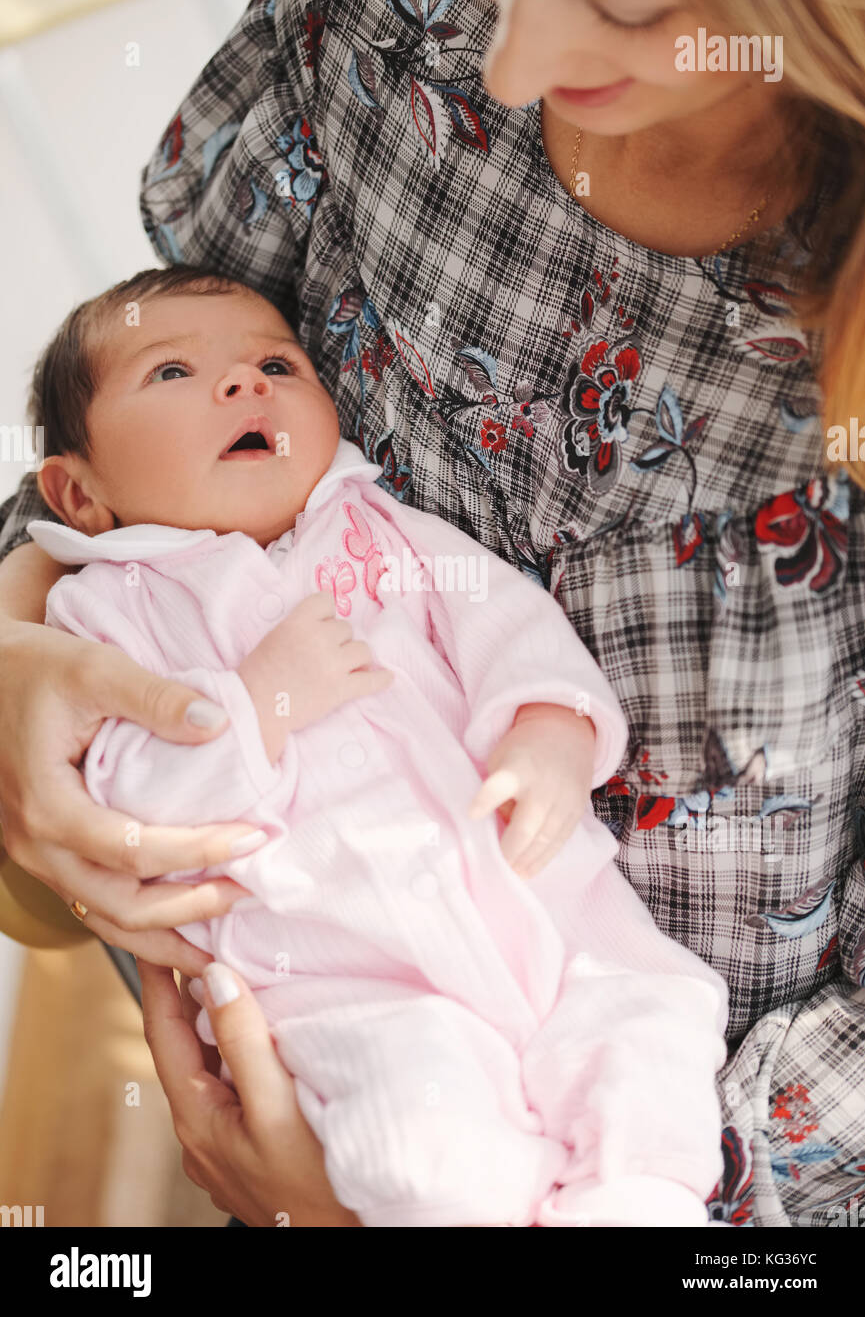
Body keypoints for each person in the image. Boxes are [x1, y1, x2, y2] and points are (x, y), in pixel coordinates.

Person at [0, 0, 864, 1227]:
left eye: (620, 8)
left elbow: (511, 635)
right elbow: (144, 379)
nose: (505, 66)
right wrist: (19, 643)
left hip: (664, 1084)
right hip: (301, 1014)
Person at [21, 267, 729, 1226]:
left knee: (654, 1023)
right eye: (174, 372)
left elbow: (503, 622)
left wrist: (550, 729)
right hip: (342, 983)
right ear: (79, 492)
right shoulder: (101, 613)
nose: (245, 385)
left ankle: (636, 1200)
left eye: (276, 362)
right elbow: (125, 800)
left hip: (543, 918)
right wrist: (261, 703)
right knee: (417, 1156)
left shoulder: (378, 526)